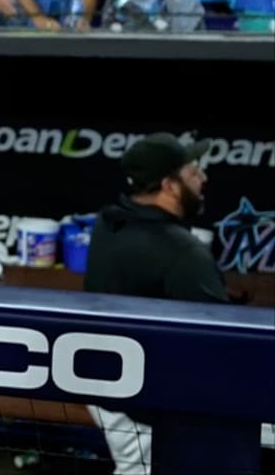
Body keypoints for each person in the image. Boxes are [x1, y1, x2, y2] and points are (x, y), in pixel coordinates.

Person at [84, 133, 228, 474]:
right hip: (147, 408)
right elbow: (223, 347)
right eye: (193, 171)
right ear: (169, 185)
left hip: (104, 386)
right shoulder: (183, 252)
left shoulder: (110, 222)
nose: (203, 177)